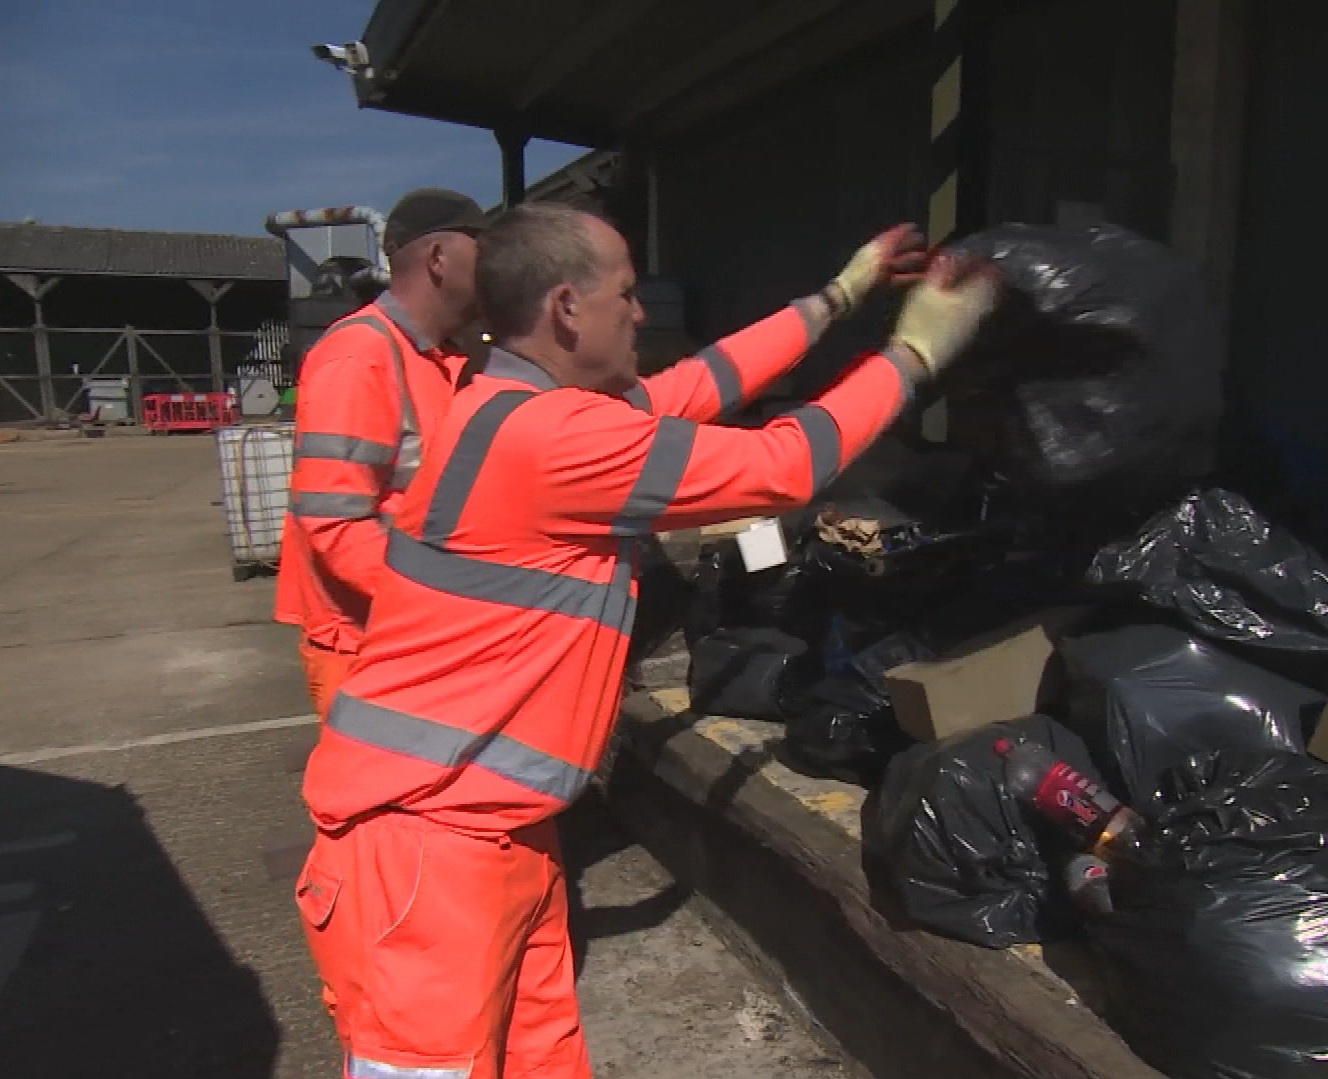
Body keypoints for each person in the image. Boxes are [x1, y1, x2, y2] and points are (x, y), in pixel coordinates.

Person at [294, 202, 999, 1079]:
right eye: (624, 294)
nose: (640, 312)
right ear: (564, 309)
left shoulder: (505, 409)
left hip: (493, 834)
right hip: (425, 855)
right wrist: (915, 353)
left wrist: (837, 295)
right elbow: (781, 465)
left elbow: (699, 384)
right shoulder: (554, 439)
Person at [274, 188, 487, 718]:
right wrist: (451, 601)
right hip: (366, 643)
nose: (496, 266)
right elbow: (334, 525)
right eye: (483, 247)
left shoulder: (443, 358)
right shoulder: (359, 356)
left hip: (413, 632)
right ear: (439, 258)